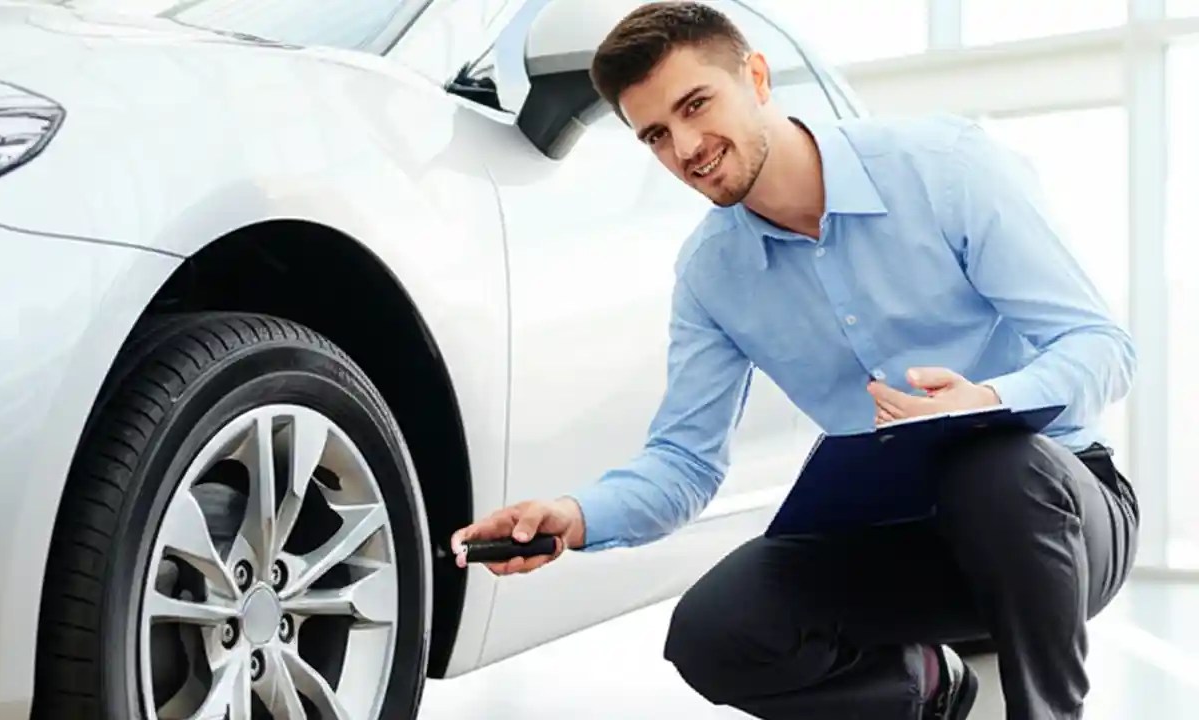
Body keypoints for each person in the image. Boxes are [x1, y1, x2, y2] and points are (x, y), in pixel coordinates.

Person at [450, 2, 1140, 719]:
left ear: (755, 77)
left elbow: (1100, 346)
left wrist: (989, 402)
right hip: (899, 545)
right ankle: (927, 688)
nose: (686, 148)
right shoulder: (712, 274)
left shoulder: (946, 169)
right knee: (715, 631)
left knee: (993, 467)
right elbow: (685, 462)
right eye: (656, 134)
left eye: (695, 105)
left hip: (1054, 521)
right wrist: (573, 515)